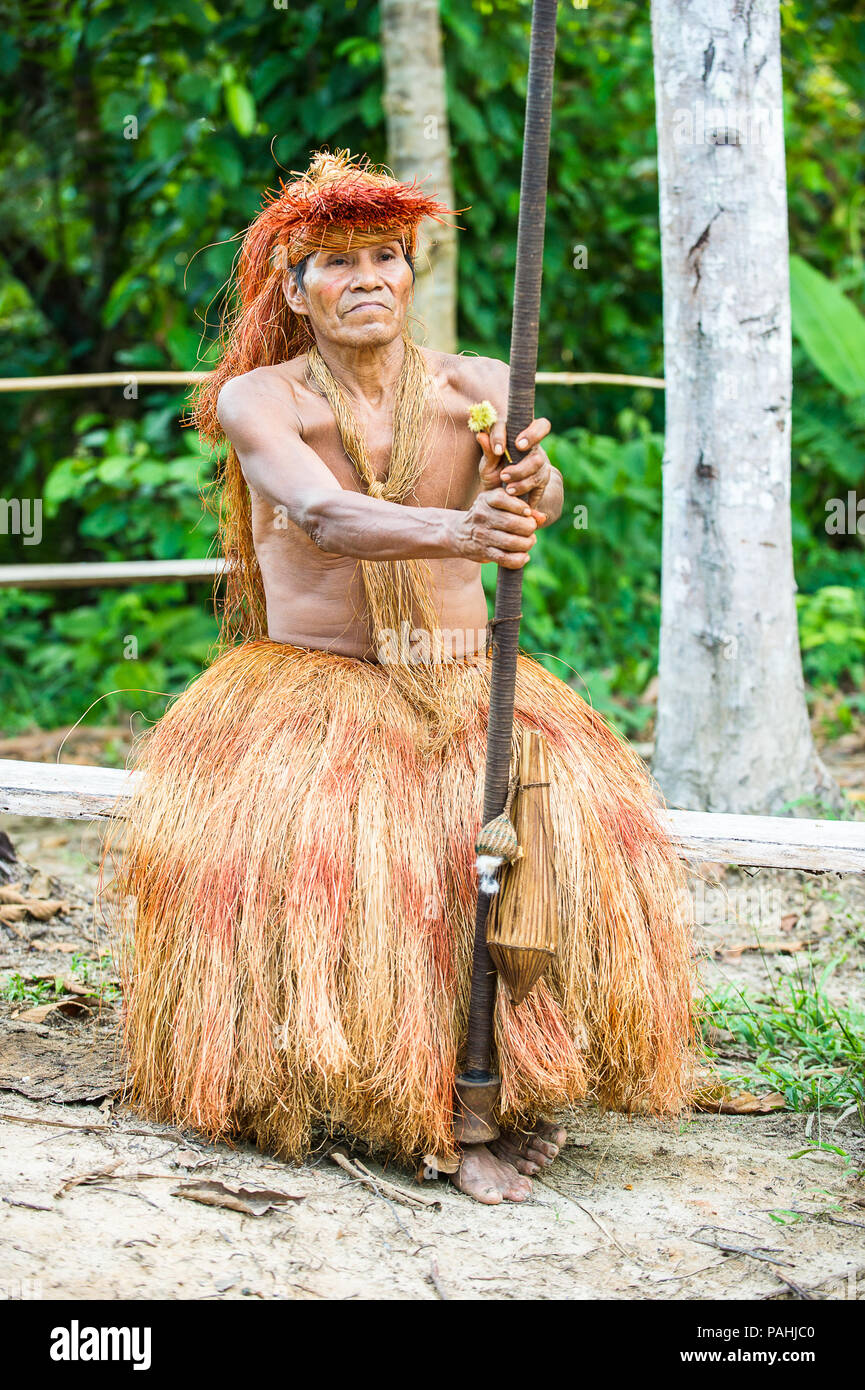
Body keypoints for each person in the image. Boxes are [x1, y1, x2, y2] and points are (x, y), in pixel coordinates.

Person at [106, 148, 696, 1205]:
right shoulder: (261, 400)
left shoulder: (476, 387)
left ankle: (498, 1087)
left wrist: (529, 478)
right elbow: (323, 514)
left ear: (411, 272)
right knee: (361, 891)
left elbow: (539, 495)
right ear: (294, 287)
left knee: (514, 874)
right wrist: (461, 525)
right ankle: (387, 1102)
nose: (366, 277)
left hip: (464, 683)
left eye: (385, 255)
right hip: (315, 687)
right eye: (336, 263)